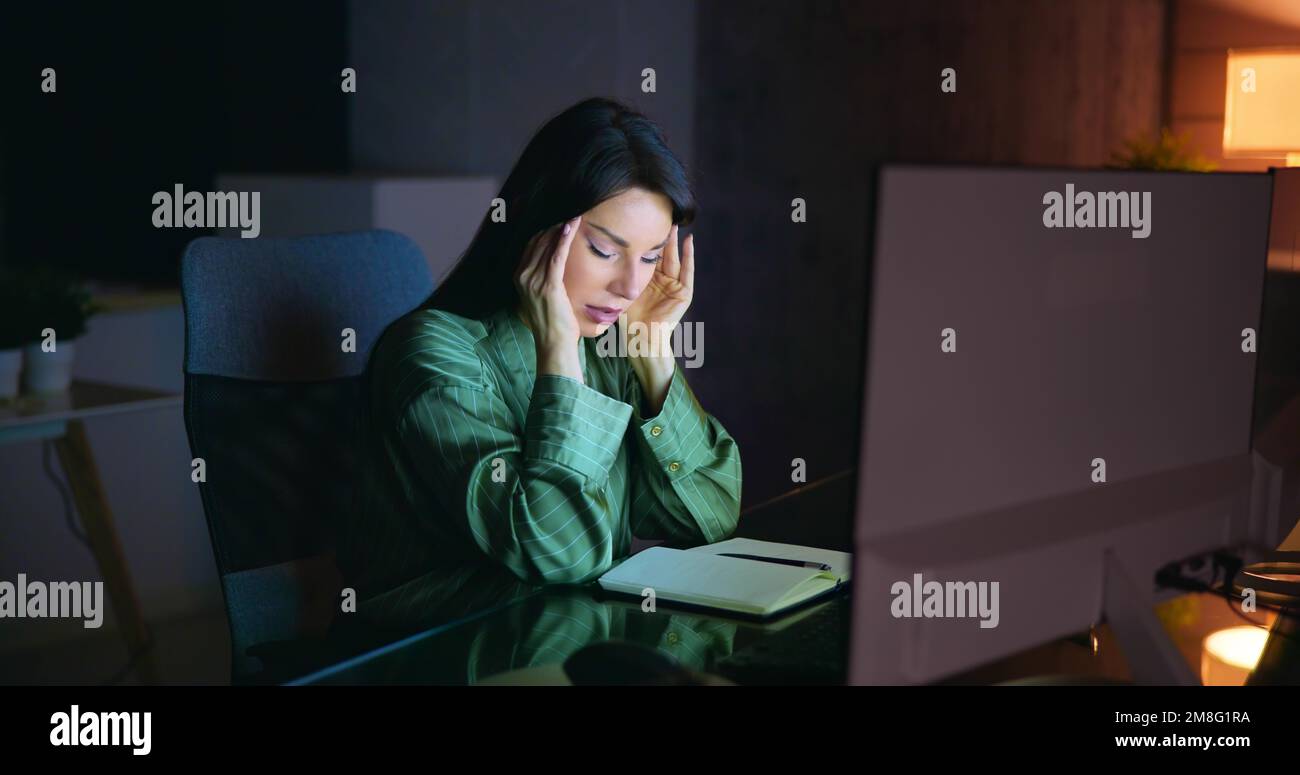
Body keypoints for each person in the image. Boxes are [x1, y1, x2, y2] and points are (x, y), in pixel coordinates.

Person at [337, 97, 743, 631]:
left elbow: (711, 517)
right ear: (537, 228)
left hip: (558, 637)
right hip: (439, 647)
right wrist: (558, 358)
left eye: (649, 258)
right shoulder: (432, 355)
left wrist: (652, 352)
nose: (630, 286)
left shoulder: (612, 346)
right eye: (604, 250)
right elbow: (562, 554)